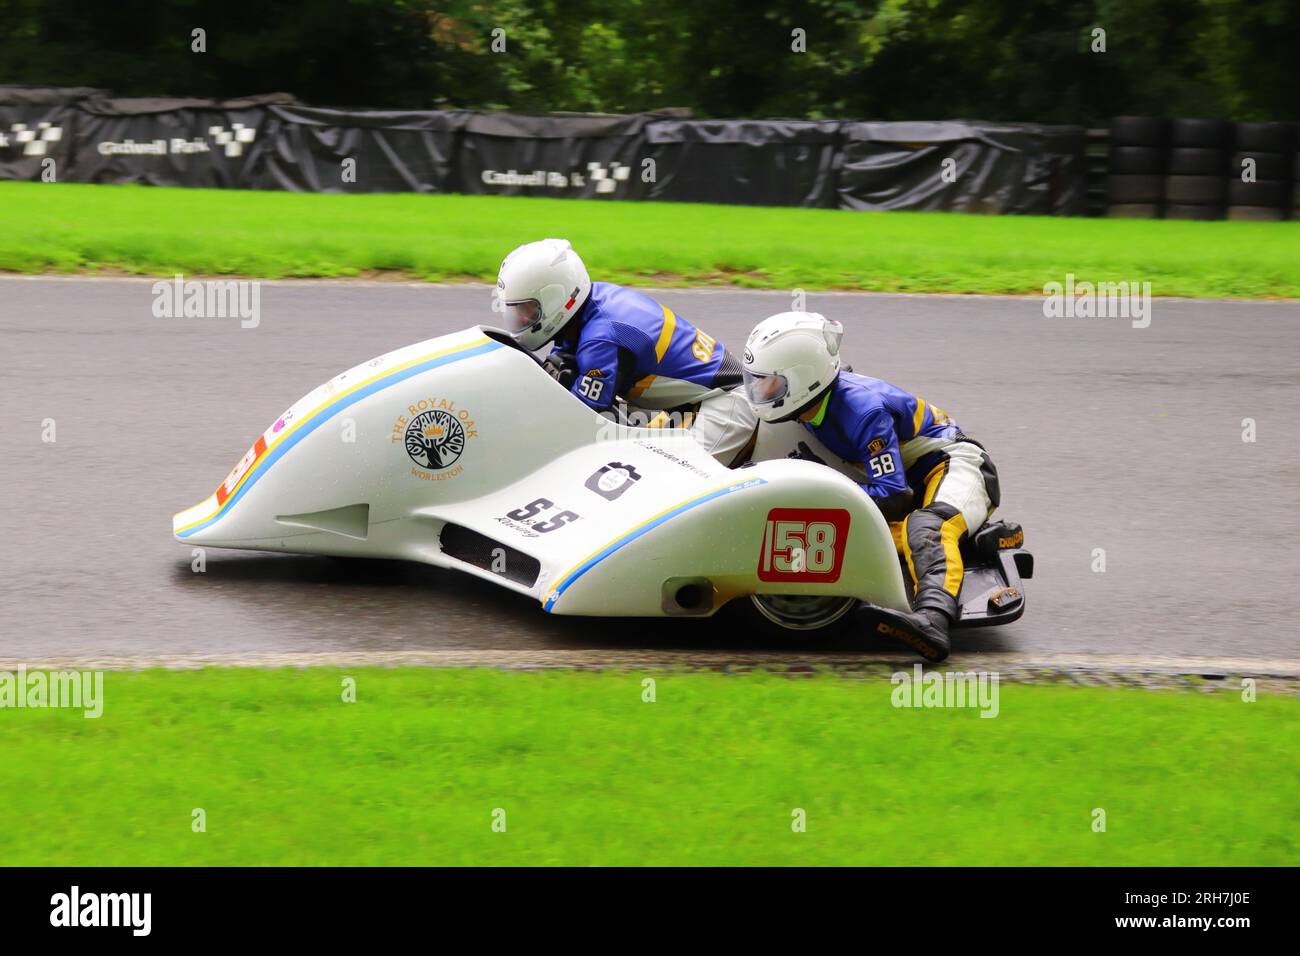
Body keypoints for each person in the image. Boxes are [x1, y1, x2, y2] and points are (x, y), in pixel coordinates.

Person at [740, 311, 1001, 661]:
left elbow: (893, 495)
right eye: (755, 381)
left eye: (770, 384)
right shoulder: (813, 403)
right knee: (885, 530)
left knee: (925, 528)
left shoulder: (862, 411)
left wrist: (822, 499)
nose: (759, 392)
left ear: (803, 378)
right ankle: (975, 541)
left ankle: (933, 622)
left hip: (955, 464)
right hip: (912, 477)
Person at [494, 238, 757, 465]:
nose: (520, 319)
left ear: (557, 298)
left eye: (527, 310)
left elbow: (578, 417)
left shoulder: (601, 339)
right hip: (691, 405)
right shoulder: (594, 301)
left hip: (723, 408)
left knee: (663, 490)